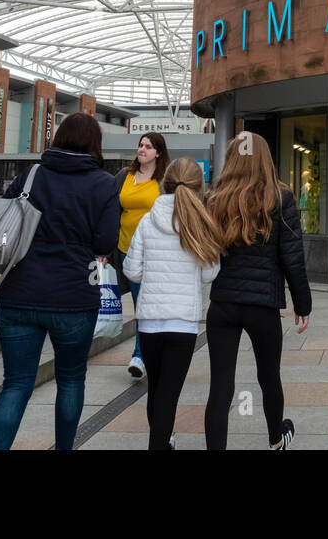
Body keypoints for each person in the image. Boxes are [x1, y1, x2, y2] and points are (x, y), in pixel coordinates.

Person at [0, 113, 119, 450]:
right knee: (72, 380)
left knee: (15, 384)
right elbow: (105, 243)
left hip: (18, 293)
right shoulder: (104, 184)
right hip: (73, 298)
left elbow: (2, 219)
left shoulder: (31, 175)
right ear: (95, 144)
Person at [204, 132, 312, 450]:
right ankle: (276, 440)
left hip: (222, 303)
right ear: (265, 159)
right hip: (262, 306)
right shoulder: (281, 197)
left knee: (220, 386)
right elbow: (292, 258)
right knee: (269, 376)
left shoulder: (215, 197)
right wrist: (302, 304)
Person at [123, 158, 223, 450]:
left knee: (156, 390)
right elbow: (209, 273)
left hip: (150, 321)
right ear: (199, 186)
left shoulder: (147, 220)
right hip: (182, 322)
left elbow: (132, 271)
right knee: (169, 395)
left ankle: (163, 442)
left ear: (165, 183)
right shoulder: (201, 222)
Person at [112, 132, 170, 380]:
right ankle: (145, 352)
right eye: (140, 145)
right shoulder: (124, 176)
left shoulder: (165, 180)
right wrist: (105, 249)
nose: (142, 149)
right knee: (140, 304)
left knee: (148, 305)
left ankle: (139, 354)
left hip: (155, 252)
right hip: (127, 250)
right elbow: (111, 210)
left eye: (148, 146)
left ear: (158, 152)